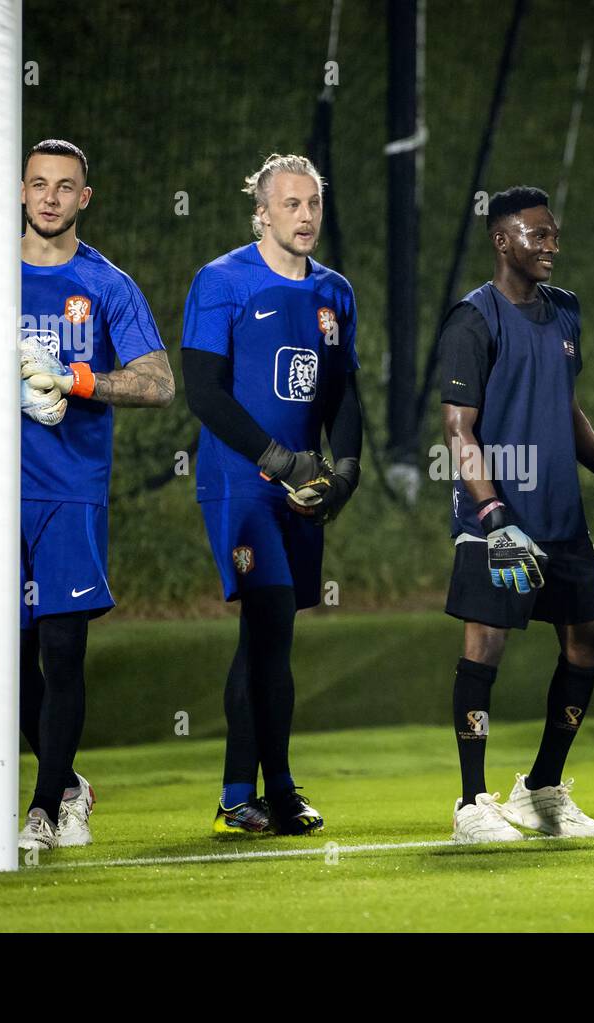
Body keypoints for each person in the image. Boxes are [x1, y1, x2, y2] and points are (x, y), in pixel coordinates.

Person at [0, 138, 174, 851]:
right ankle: (67, 780)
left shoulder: (107, 284)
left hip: (70, 493)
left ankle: (42, 806)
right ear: (21, 191)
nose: (51, 197)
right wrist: (6, 390)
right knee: (6, 650)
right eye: (38, 183)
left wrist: (75, 381)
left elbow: (156, 382)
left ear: (83, 198)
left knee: (62, 649)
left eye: (66, 186)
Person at [437, 186, 594, 844]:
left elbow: (566, 404)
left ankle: (541, 789)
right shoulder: (472, 319)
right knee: (486, 647)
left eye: (554, 234)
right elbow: (457, 430)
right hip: (496, 520)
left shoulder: (566, 314)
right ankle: (472, 802)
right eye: (537, 234)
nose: (551, 244)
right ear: (503, 242)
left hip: (561, 518)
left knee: (588, 642)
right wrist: (494, 514)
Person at [182, 153, 361, 838]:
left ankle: (238, 791)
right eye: (290, 203)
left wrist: (341, 473)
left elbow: (344, 394)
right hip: (240, 484)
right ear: (261, 211)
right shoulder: (221, 281)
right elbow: (204, 391)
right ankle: (277, 788)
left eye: (313, 202)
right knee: (272, 620)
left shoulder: (334, 292)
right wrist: (279, 460)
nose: (306, 214)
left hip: (302, 489)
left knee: (266, 635)